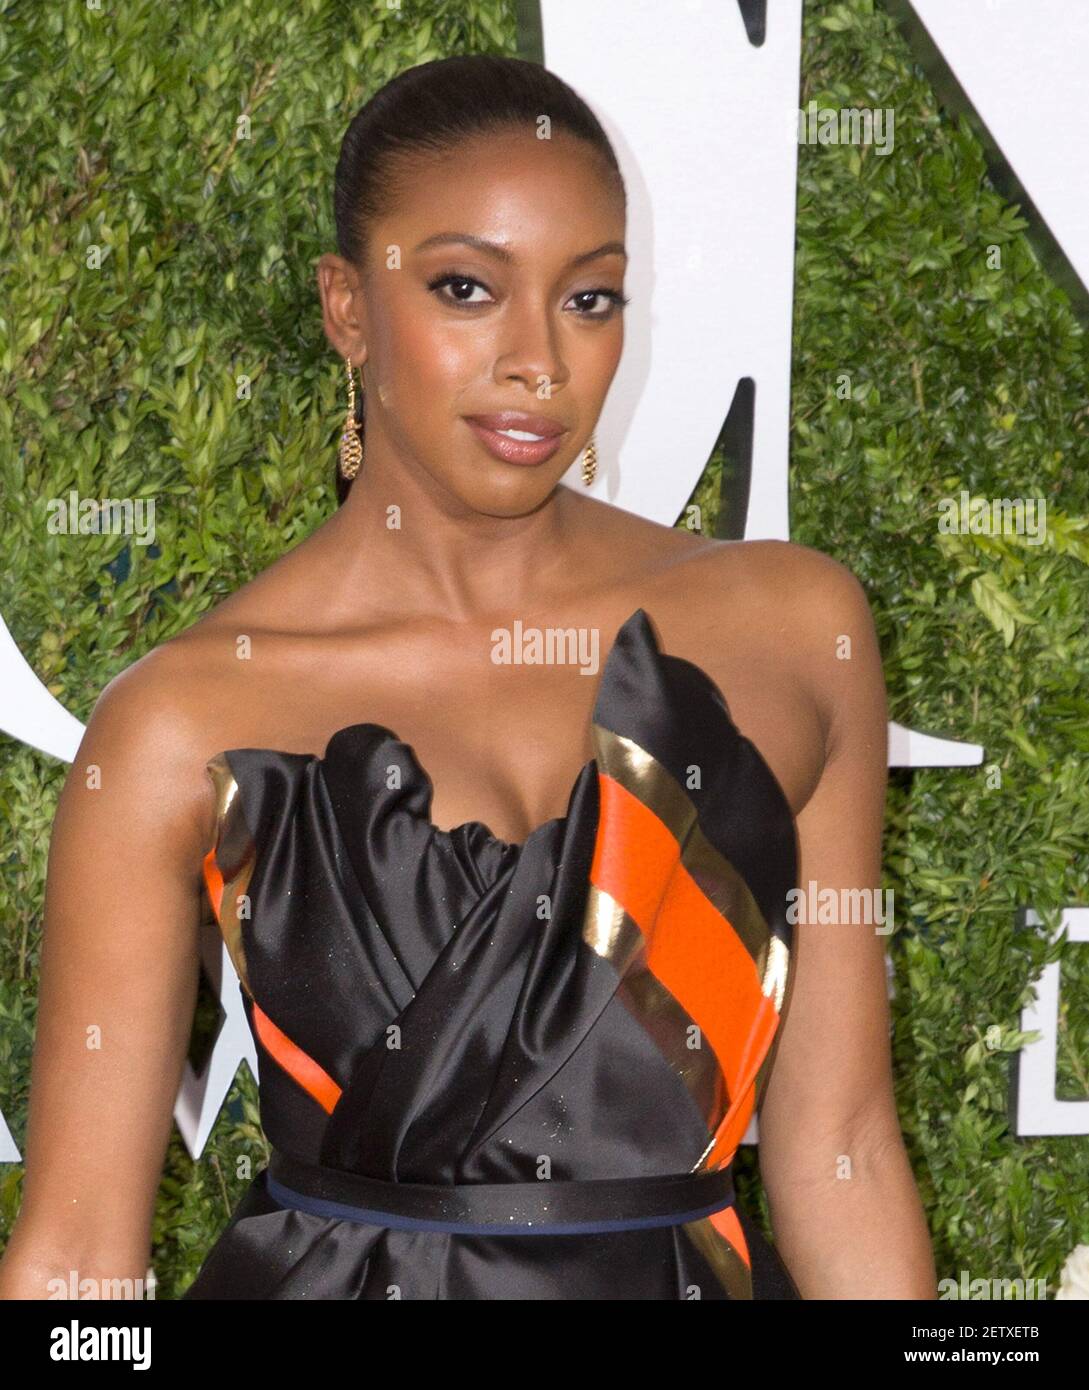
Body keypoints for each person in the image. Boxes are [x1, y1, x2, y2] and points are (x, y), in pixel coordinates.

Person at [0, 54, 935, 1300]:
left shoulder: (792, 629)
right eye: (465, 289)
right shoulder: (184, 720)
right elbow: (72, 1267)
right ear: (347, 308)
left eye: (590, 300)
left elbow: (842, 1151)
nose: (539, 363)